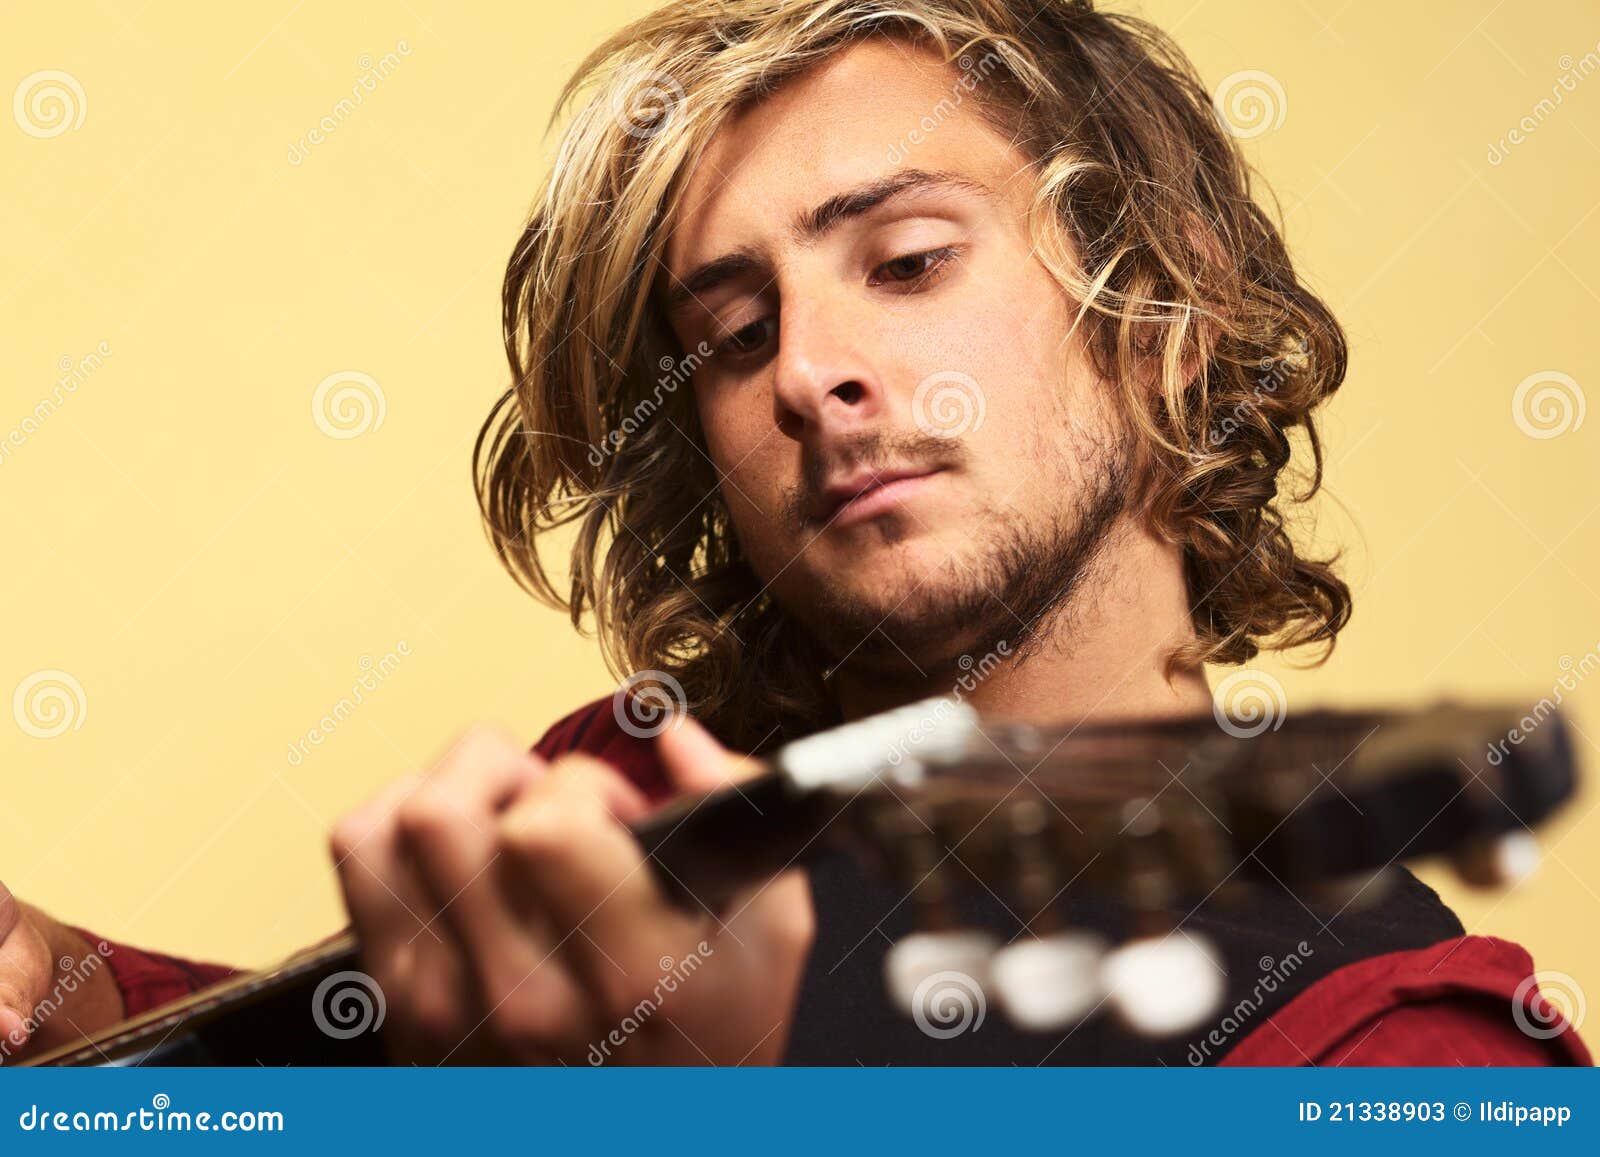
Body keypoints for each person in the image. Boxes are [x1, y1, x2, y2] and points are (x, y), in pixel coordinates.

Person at [1, 0, 1588, 1066]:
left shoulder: (1401, 1043)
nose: (812, 373)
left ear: (1161, 310)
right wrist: (81, 999)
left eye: (905, 262)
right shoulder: (625, 804)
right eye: (738, 331)